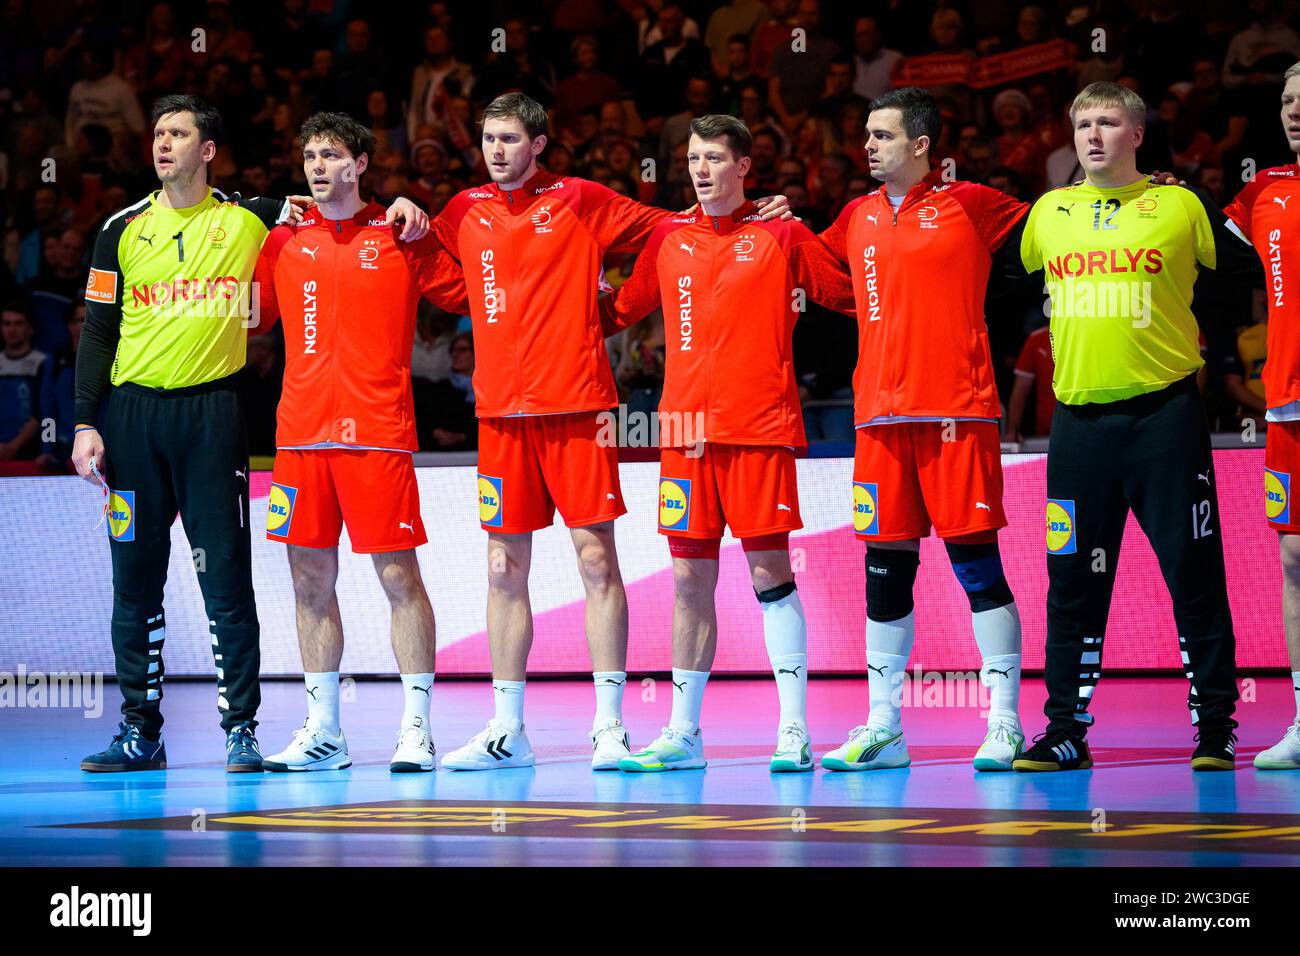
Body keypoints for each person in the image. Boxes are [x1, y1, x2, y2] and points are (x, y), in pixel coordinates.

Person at [429, 92, 790, 771]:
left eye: (509, 139)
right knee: (504, 567)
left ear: (538, 144)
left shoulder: (581, 198)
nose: (497, 151)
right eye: (488, 139)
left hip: (577, 408)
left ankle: (608, 725)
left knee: (596, 560)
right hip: (500, 415)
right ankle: (509, 728)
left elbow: (674, 224)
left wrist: (754, 211)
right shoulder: (463, 209)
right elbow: (439, 274)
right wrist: (408, 225)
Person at [72, 94, 427, 773]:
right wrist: (86, 420)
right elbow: (96, 330)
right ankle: (139, 732)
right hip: (132, 422)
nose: (163, 144)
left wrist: (403, 202)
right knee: (134, 583)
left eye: (178, 134)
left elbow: (328, 204)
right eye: (158, 133)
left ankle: (241, 730)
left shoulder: (255, 220)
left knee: (227, 581)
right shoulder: (119, 229)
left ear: (207, 150)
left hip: (212, 418)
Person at [1013, 82, 1260, 772]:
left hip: (1165, 422)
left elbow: (1257, 264)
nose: (1093, 134)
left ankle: (1215, 727)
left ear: (1138, 133)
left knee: (1194, 575)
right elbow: (988, 274)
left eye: (1109, 122)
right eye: (1083, 122)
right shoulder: (1049, 213)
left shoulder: (1181, 205)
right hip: (1078, 428)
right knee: (1071, 583)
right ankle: (1065, 729)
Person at [599, 114, 854, 773]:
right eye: (692, 158)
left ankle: (793, 730)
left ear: (746, 166)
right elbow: (620, 310)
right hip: (684, 433)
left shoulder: (784, 234)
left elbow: (853, 294)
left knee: (770, 574)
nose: (701, 169)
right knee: (688, 578)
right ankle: (683, 734)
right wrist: (555, 279)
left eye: (715, 157)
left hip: (759, 429)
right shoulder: (670, 237)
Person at [816, 87, 1032, 772]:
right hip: (879, 420)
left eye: (882, 136)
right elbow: (816, 277)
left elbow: (1058, 229)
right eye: (866, 135)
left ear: (920, 146)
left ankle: (1004, 722)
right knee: (885, 574)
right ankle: (884, 726)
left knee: (977, 569)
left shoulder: (974, 204)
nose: (868, 146)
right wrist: (776, 224)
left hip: (956, 415)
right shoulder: (855, 216)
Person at [252, 112, 468, 773]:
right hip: (300, 439)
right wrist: (265, 230)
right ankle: (324, 731)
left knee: (399, 576)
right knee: (309, 580)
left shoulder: (396, 231)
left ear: (361, 164)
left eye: (332, 155)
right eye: (310, 154)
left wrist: (427, 229)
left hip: (377, 436)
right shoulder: (288, 239)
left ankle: (417, 729)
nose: (318, 167)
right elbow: (251, 317)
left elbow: (462, 291)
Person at [1220, 60, 1300, 769]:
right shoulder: (1262, 192)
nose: (1295, 109)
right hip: (1288, 403)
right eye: (1286, 99)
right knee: (1296, 560)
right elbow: (1212, 267)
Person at [0, 301, 44, 461]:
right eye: (7, 324)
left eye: (18, 324)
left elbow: (47, 414)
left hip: (31, 455)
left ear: (30, 328)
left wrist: (14, 446)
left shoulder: (42, 363)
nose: (12, 330)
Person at [1006, 323, 1055, 440]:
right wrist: (1012, 430)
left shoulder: (1086, 338)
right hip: (1045, 434)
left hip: (1081, 430)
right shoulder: (1037, 339)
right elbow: (1020, 390)